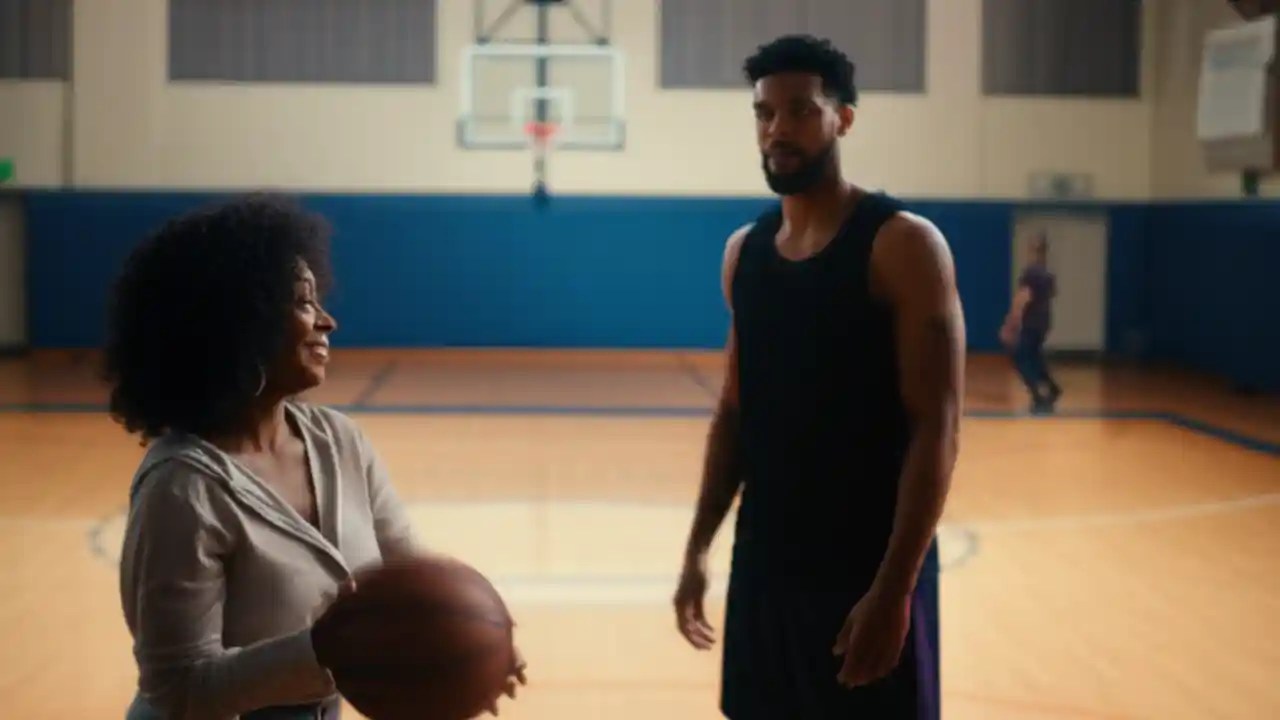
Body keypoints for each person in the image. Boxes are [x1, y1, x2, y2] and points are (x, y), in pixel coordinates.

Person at [105, 195, 525, 719]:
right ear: (241, 323)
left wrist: (475, 641)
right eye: (304, 303)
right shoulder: (183, 489)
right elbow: (178, 687)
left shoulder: (339, 441)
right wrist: (324, 648)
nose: (327, 322)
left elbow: (410, 572)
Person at [672, 35, 964, 719]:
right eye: (764, 113)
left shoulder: (902, 245)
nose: (778, 129)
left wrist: (894, 590)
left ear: (844, 118)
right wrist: (697, 549)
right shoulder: (743, 254)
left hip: (867, 569)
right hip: (767, 562)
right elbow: (736, 415)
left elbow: (937, 428)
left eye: (800, 110)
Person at [1001, 234, 1061, 412]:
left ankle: (1038, 396)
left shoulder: (1031, 273)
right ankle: (1052, 388)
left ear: (1033, 249)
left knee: (1019, 358)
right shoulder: (1048, 274)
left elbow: (1022, 300)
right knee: (1034, 356)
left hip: (1031, 322)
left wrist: (1010, 324)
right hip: (1044, 322)